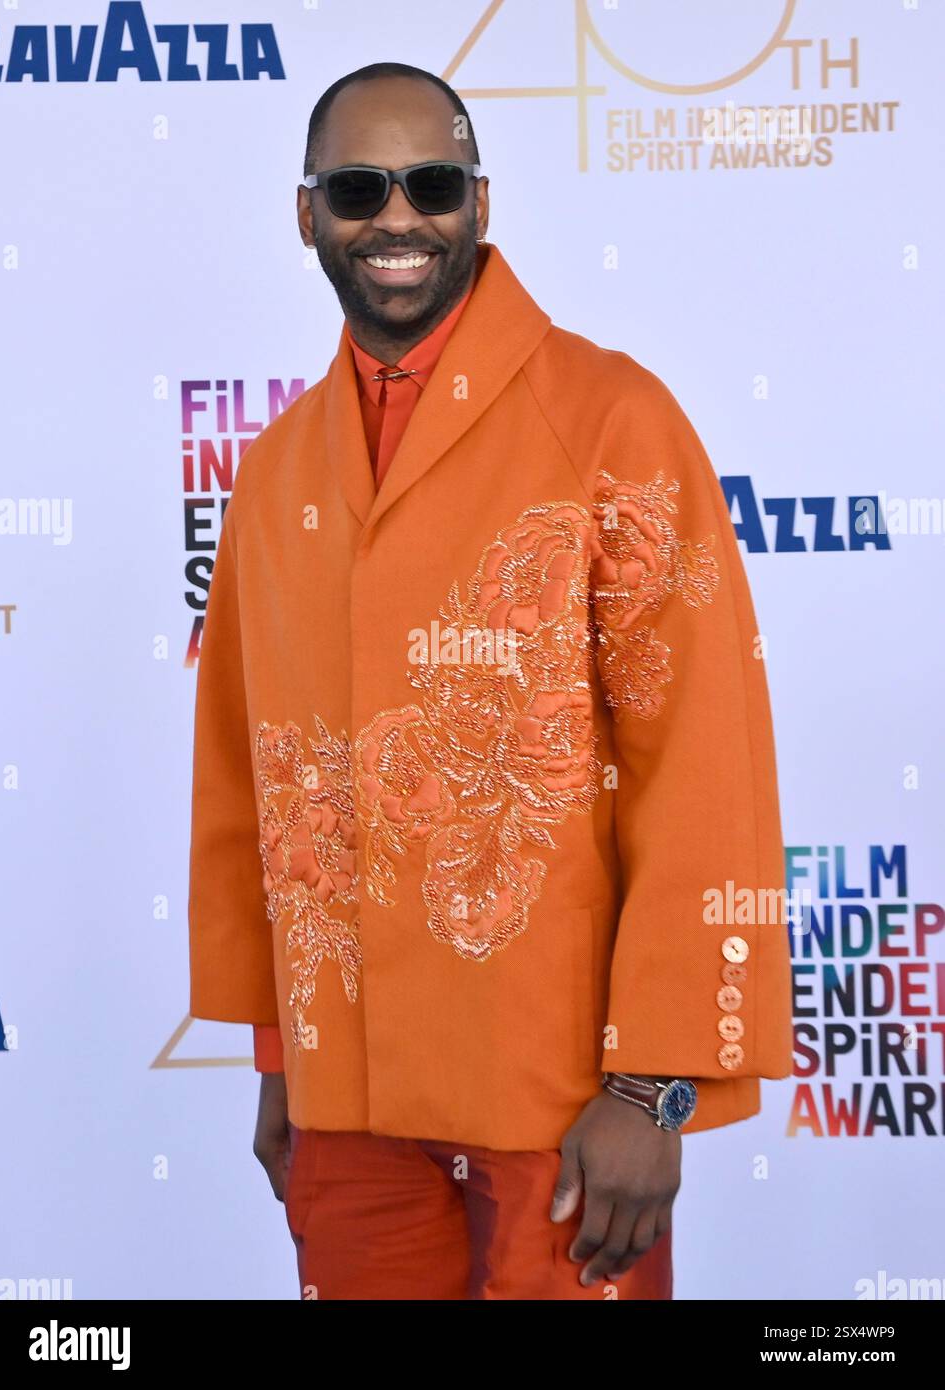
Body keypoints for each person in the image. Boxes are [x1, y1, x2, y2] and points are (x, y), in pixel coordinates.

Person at [187, 62, 794, 1301]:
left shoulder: (613, 417)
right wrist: (277, 1051)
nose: (398, 219)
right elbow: (253, 780)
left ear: (481, 203)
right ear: (307, 215)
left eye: (434, 185)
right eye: (360, 188)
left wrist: (653, 1089)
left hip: (560, 1102)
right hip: (346, 1100)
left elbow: (705, 768)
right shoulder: (275, 468)